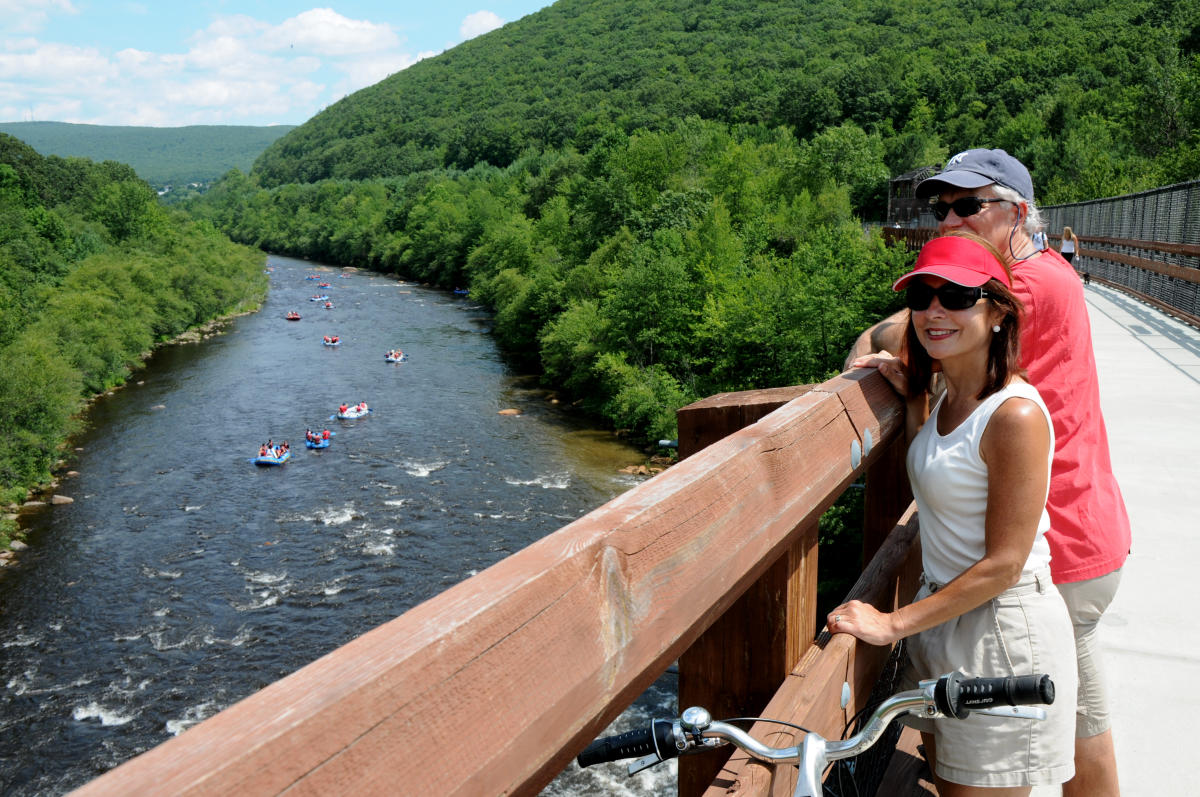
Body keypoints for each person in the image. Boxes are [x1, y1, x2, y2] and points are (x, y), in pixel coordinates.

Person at [846, 149, 1129, 796]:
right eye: (941, 207)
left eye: (969, 205)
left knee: (1079, 735)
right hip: (1067, 526)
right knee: (1075, 727)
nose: (950, 219)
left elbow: (902, 335)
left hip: (1058, 548)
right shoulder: (1042, 270)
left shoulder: (1022, 286)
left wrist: (873, 345)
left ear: (1018, 212)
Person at [834, 233, 1078, 792]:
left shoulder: (1013, 415)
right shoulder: (948, 394)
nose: (933, 310)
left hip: (1000, 633)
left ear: (997, 311)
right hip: (945, 614)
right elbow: (941, 469)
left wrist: (891, 624)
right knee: (948, 782)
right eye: (921, 296)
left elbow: (1005, 563)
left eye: (958, 296)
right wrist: (914, 400)